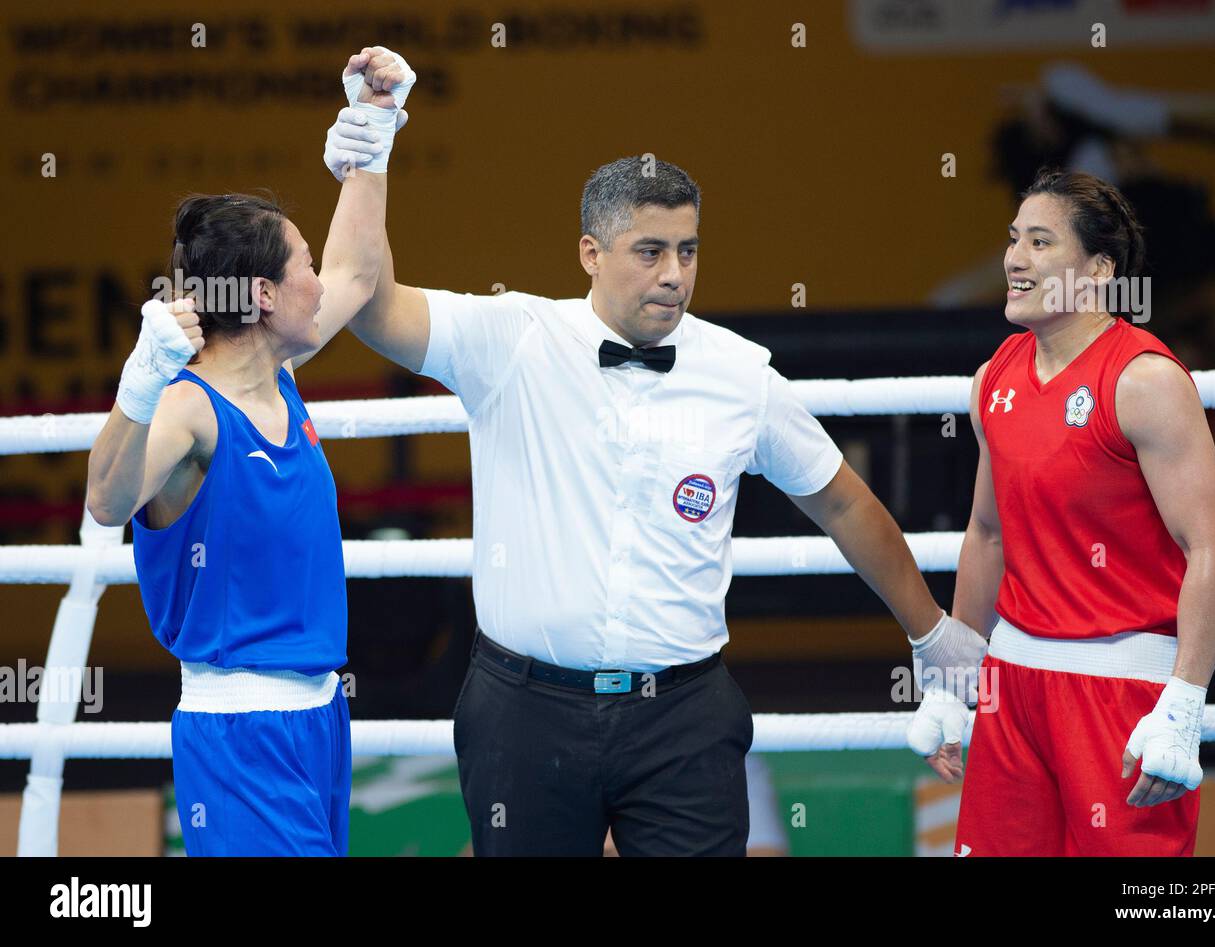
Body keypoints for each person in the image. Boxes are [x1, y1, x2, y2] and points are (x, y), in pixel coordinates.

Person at [323, 96, 986, 856]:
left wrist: (930, 630)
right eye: (650, 251)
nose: (675, 274)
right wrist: (369, 157)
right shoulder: (511, 338)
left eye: (689, 250)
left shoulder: (740, 373)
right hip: (523, 708)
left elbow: (843, 500)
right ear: (590, 254)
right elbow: (371, 308)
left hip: (683, 717)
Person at [84, 48, 414, 855]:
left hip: (317, 717)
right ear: (264, 294)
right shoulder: (191, 409)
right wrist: (137, 384)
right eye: (301, 264)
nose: (316, 277)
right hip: (239, 733)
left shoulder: (280, 374)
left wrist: (373, 126)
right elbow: (104, 500)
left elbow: (360, 272)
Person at [907, 168, 1215, 856]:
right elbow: (987, 532)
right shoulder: (994, 377)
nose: (1014, 259)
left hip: (1119, 690)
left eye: (1039, 241)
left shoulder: (1145, 380)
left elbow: (1213, 548)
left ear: (1096, 270)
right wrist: (952, 687)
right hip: (1012, 686)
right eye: (1013, 239)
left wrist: (1182, 705)